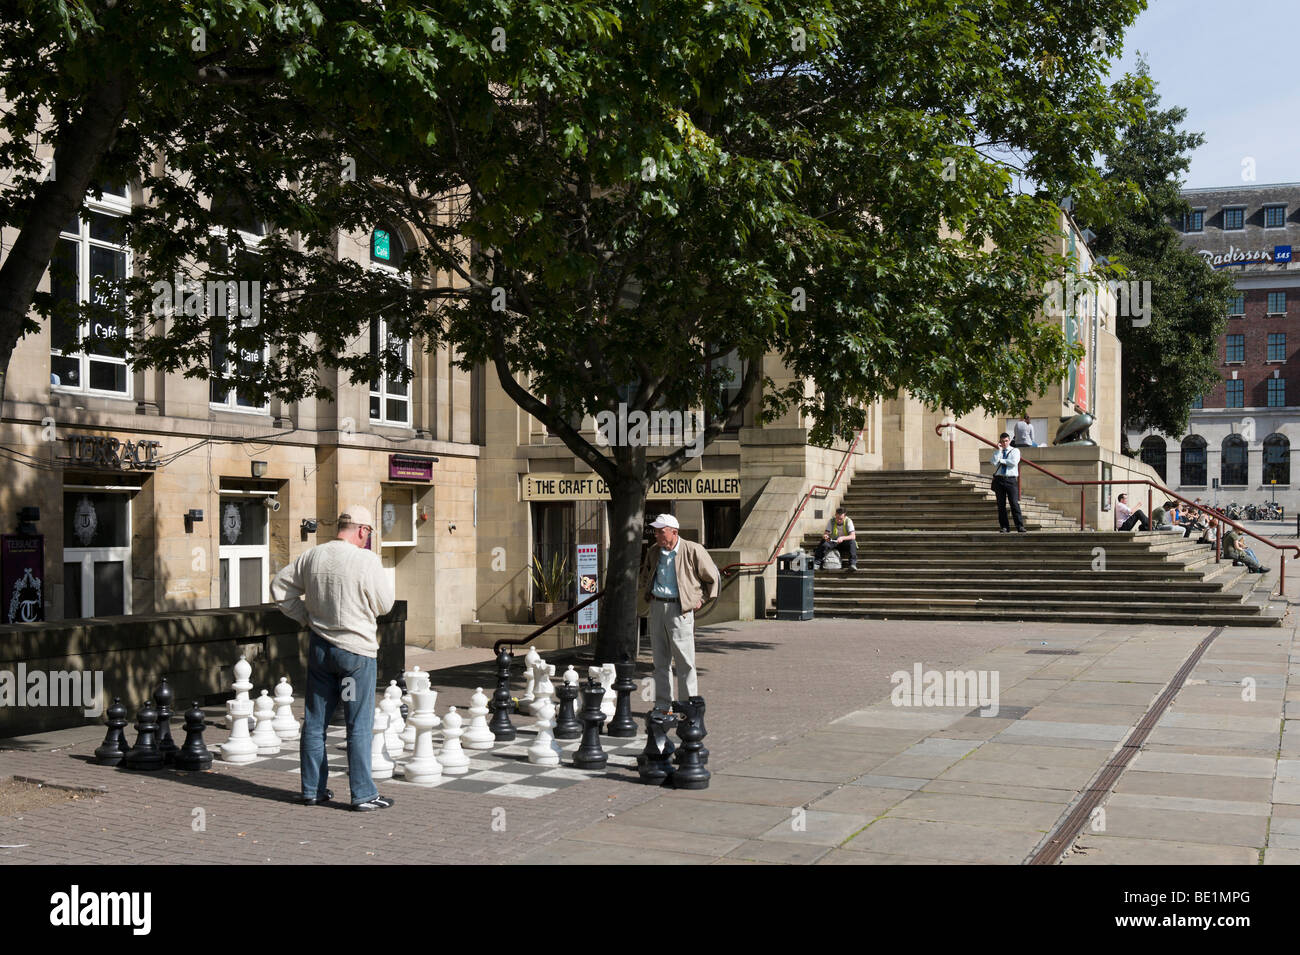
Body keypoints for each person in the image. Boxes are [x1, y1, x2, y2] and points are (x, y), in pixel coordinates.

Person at [272, 506, 396, 811]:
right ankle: (363, 794)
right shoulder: (366, 559)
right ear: (363, 531)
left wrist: (306, 618)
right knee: (358, 723)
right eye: (369, 534)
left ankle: (312, 790)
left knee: (315, 721)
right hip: (355, 654)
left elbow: (279, 588)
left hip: (321, 650)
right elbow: (384, 604)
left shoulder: (312, 556)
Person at [638, 513, 720, 715]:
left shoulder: (692, 550)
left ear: (674, 532)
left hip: (679, 610)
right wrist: (646, 592)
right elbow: (646, 574)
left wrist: (700, 600)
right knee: (659, 661)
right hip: (657, 607)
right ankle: (663, 704)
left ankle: (687, 705)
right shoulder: (653, 551)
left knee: (685, 661)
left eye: (660, 531)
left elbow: (713, 577)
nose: (656, 534)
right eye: (655, 531)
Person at [991, 432, 1026, 533]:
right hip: (999, 480)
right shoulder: (998, 451)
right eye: (1002, 441)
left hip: (1010, 479)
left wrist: (1001, 460)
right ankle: (1004, 527)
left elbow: (1013, 462)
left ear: (1009, 441)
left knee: (1014, 503)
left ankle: (1020, 526)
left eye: (1006, 441)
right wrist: (999, 451)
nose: (1004, 443)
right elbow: (993, 462)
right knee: (1001, 505)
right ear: (999, 442)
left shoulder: (1015, 450)